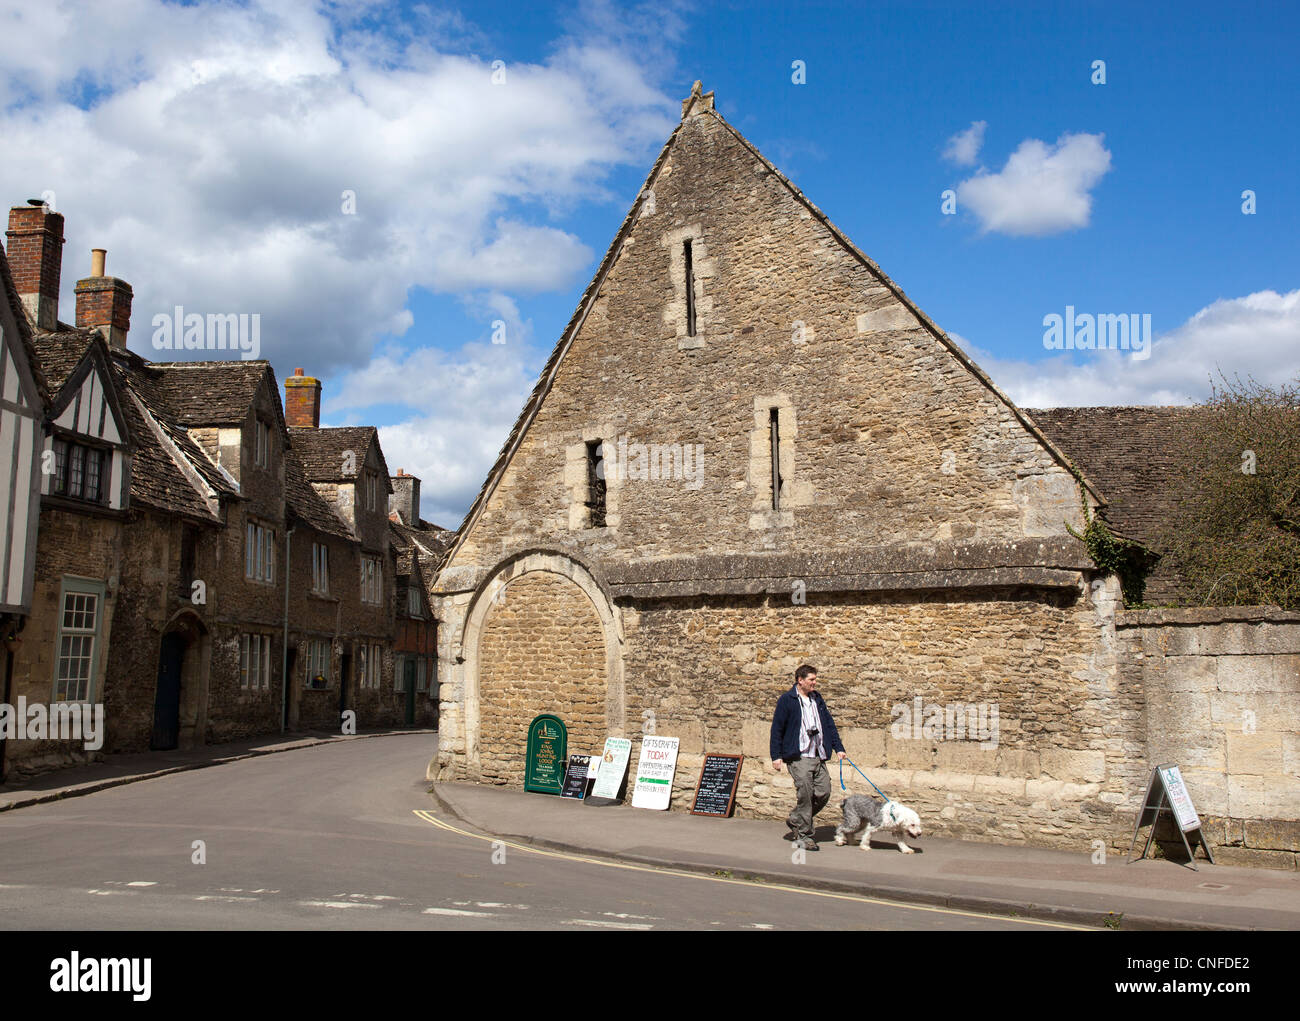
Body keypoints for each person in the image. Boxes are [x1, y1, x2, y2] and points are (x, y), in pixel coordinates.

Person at [770, 664, 845, 850]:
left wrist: (838, 748)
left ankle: (796, 818)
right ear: (800, 680)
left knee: (824, 791)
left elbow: (829, 724)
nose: (815, 682)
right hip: (799, 756)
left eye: (815, 679)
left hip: (818, 754)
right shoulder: (787, 700)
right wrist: (776, 755)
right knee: (805, 795)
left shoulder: (817, 699)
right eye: (811, 679)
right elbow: (777, 729)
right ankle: (804, 835)